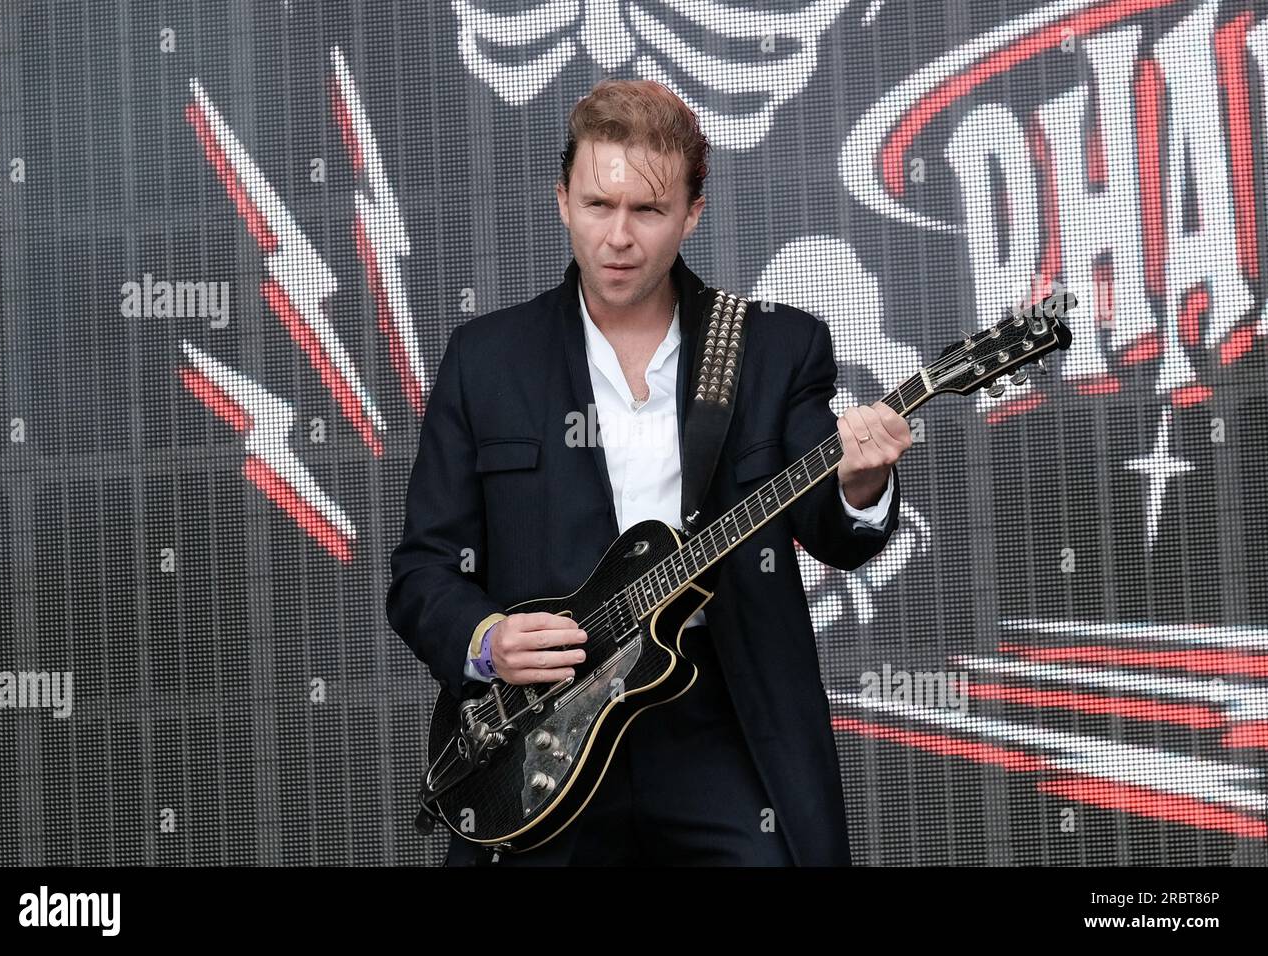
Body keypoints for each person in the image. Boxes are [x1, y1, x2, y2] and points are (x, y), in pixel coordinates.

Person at [387, 78, 911, 866]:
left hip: (718, 717)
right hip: (543, 730)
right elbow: (423, 572)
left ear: (693, 213)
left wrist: (861, 482)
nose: (619, 238)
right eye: (599, 205)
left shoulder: (773, 349)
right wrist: (488, 641)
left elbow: (831, 527)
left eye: (648, 211)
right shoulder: (485, 362)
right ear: (561, 198)